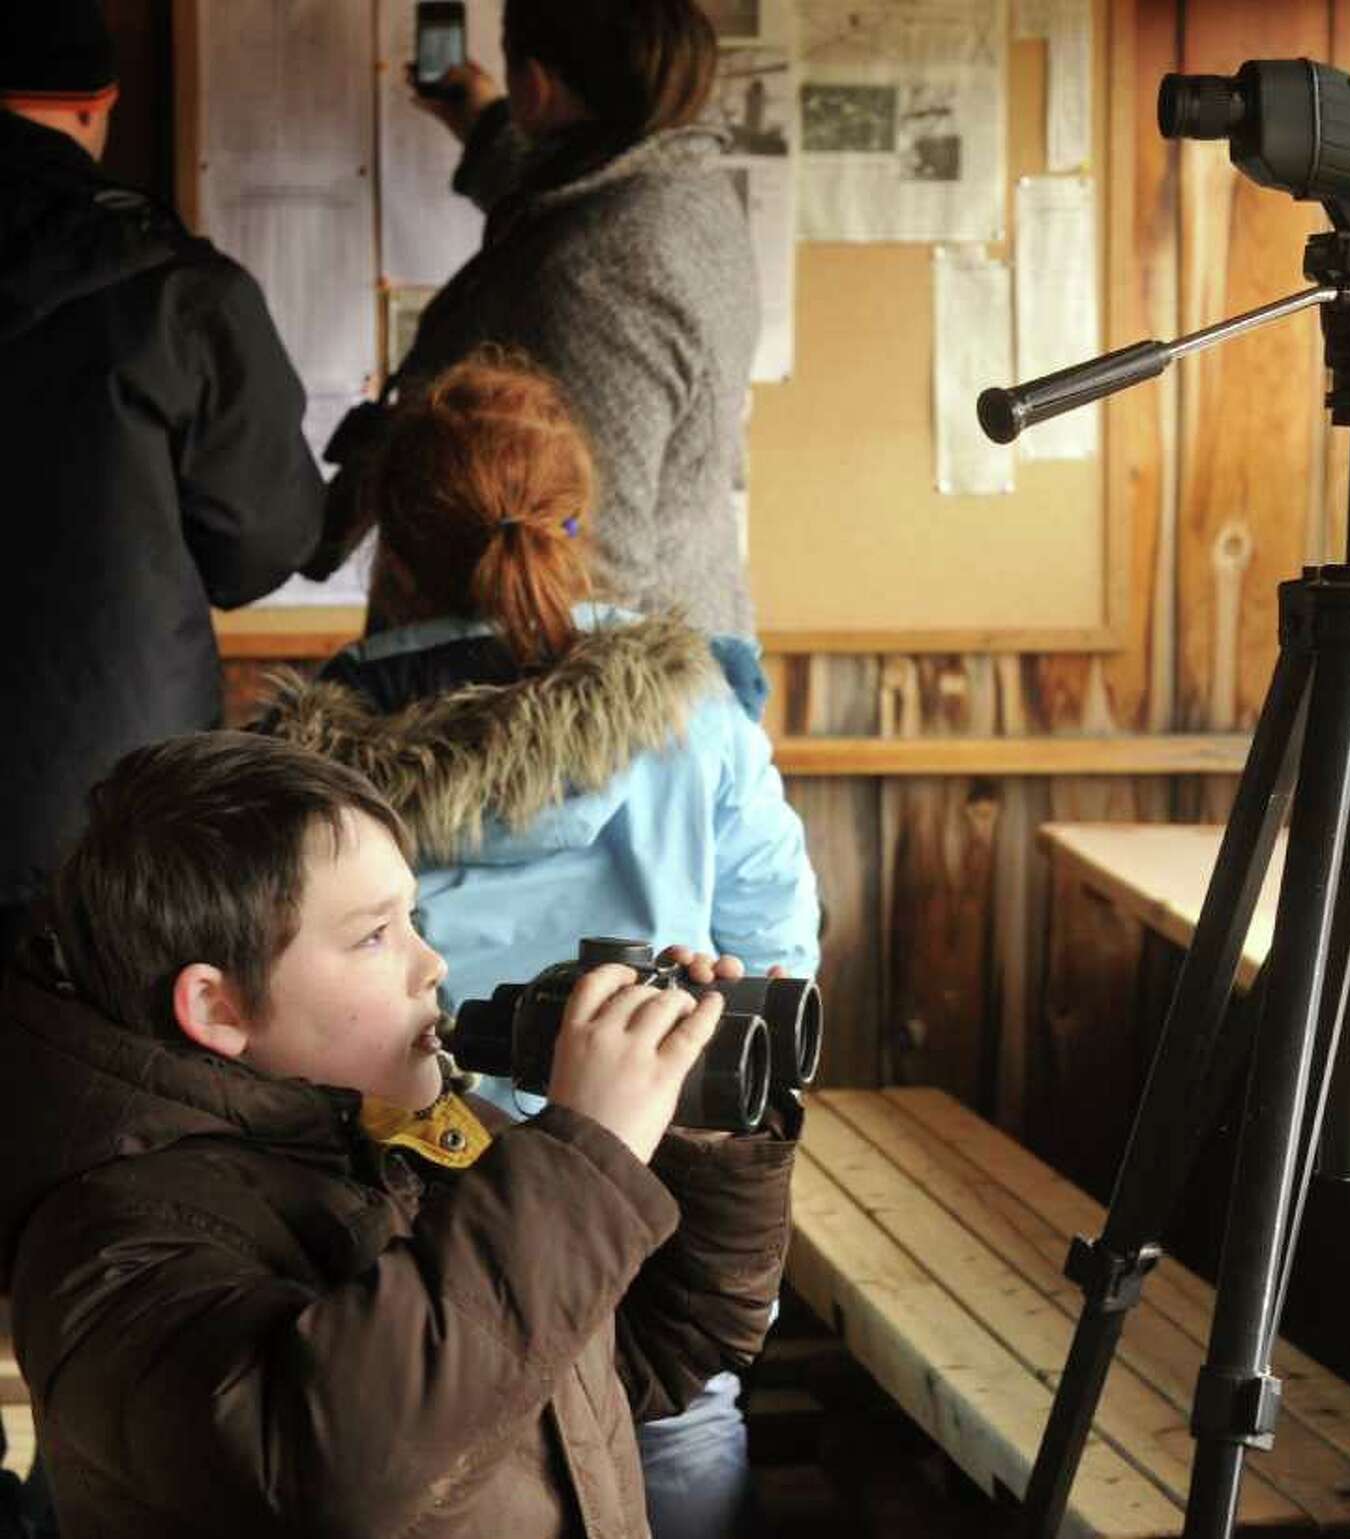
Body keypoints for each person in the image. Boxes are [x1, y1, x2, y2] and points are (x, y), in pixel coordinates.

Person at [262, 351, 819, 1539]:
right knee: (676, 1411)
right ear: (579, 519)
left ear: (395, 546)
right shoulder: (694, 711)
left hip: (407, 1195)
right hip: (656, 1174)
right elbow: (778, 957)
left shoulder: (318, 755)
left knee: (456, 1451)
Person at [0, 729, 796, 1538]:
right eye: (375, 934)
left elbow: (650, 1356)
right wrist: (585, 1158)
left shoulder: (423, 1138)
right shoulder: (104, 1250)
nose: (433, 964)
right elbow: (336, 1471)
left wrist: (708, 1149)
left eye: (412, 916)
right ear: (218, 1007)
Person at [0, 0, 326, 957]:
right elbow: (261, 544)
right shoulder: (179, 292)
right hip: (103, 806)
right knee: (101, 1087)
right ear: (98, 105)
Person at [305, 0, 758, 641]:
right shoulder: (681, 187)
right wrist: (487, 123)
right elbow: (555, 202)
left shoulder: (597, 275)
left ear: (538, 86)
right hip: (678, 645)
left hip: (595, 704)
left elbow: (594, 565)